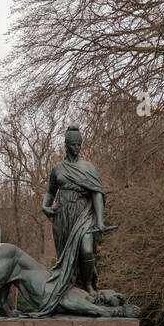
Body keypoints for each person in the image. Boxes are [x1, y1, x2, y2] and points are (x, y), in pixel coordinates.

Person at [38, 125, 108, 314]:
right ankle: (69, 288)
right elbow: (50, 192)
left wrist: (100, 221)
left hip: (83, 214)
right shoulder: (58, 169)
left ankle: (88, 285)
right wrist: (44, 206)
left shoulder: (88, 167)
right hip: (63, 216)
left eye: (79, 144)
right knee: (65, 256)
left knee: (86, 251)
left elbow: (97, 194)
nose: (77, 147)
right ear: (66, 146)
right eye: (74, 144)